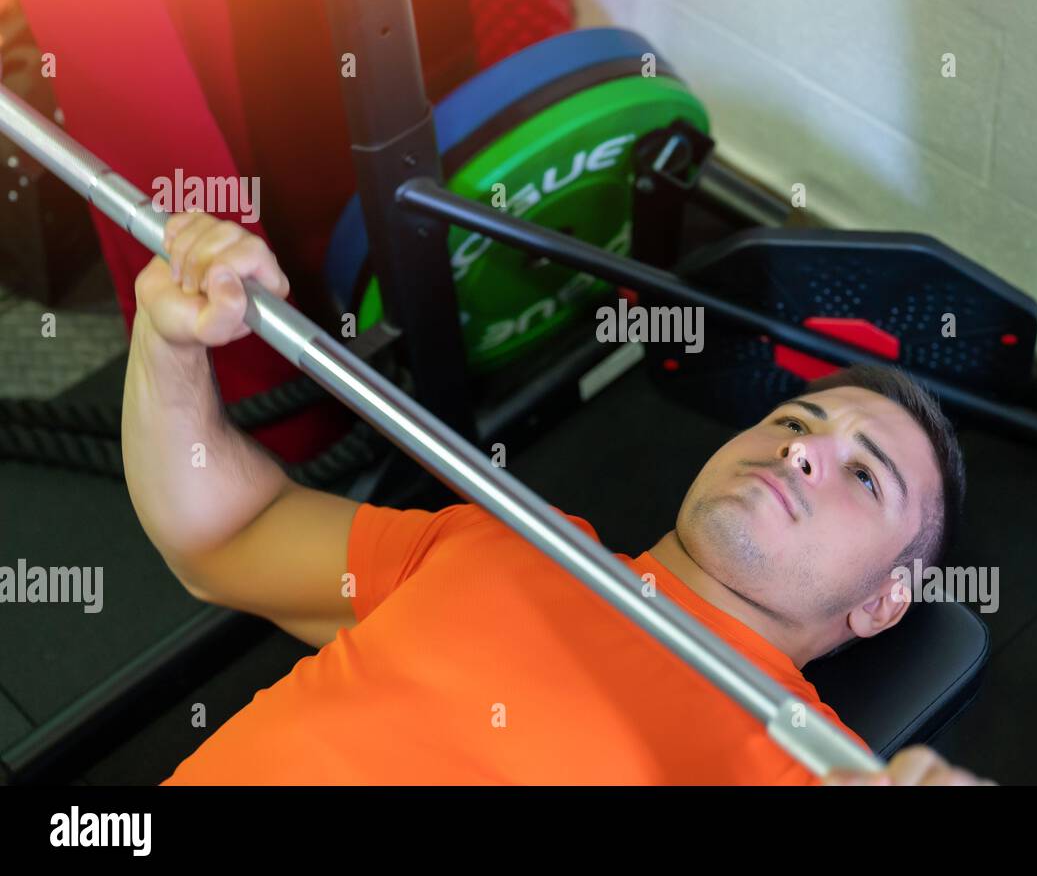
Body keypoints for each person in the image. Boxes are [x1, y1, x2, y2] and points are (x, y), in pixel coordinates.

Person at [126, 212, 993, 787]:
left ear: (884, 603)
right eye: (794, 419)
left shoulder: (808, 770)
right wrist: (168, 339)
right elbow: (222, 537)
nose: (804, 449)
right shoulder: (514, 543)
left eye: (864, 474)